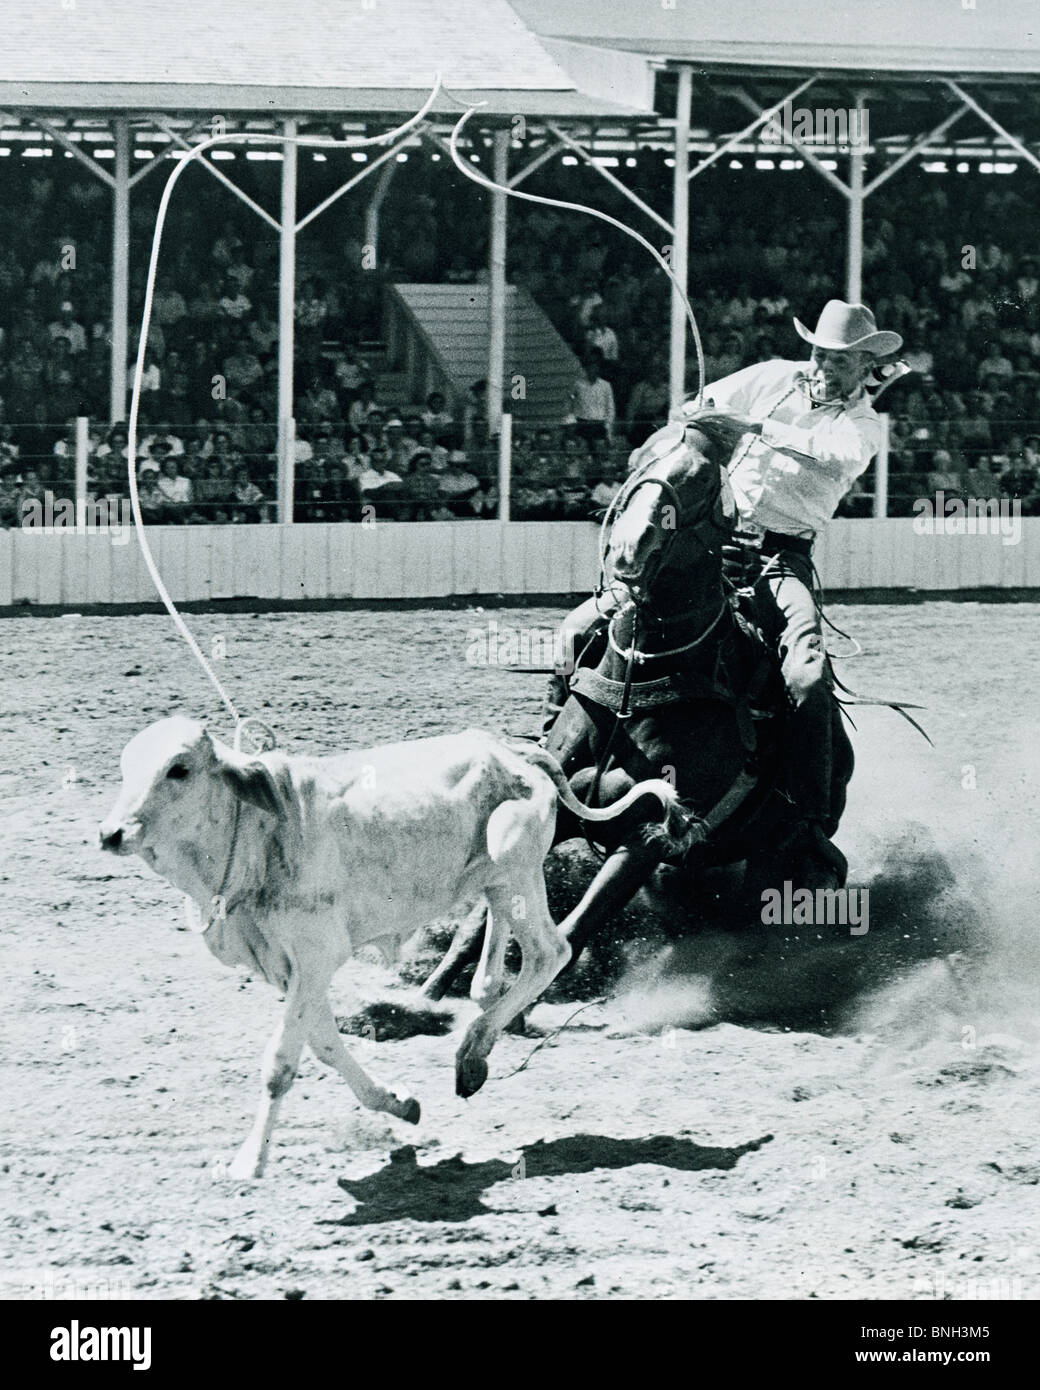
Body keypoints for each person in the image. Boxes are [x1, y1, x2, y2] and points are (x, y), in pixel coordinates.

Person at [547, 300, 903, 885]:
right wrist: (705, 425)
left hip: (779, 562)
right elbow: (699, 407)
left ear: (866, 366)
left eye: (841, 361)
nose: (824, 366)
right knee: (582, 626)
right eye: (820, 353)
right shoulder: (771, 377)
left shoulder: (863, 424)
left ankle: (807, 820)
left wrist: (756, 427)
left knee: (808, 676)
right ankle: (553, 745)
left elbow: (838, 456)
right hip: (709, 539)